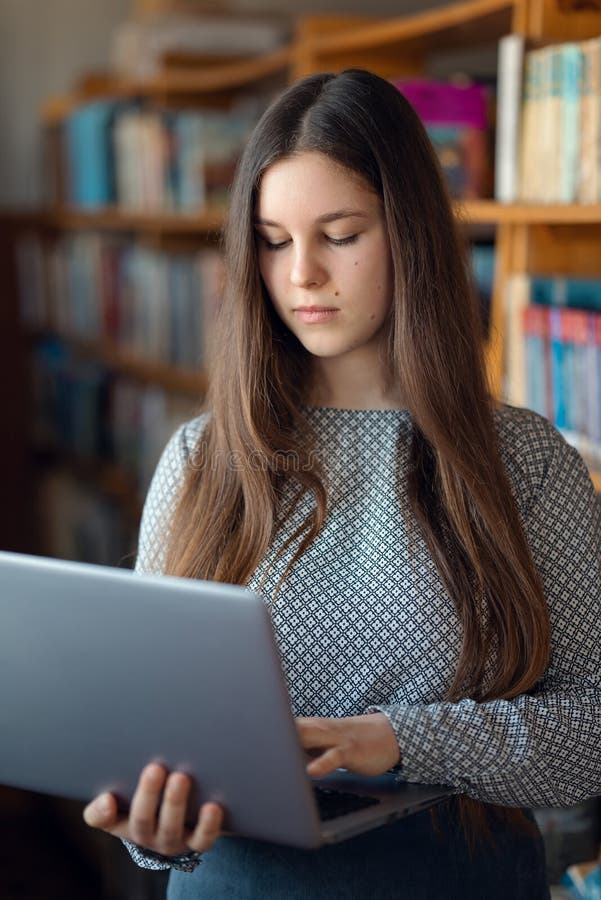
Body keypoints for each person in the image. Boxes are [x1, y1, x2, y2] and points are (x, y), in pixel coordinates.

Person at [82, 69, 601, 899]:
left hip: (451, 876)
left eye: (341, 234)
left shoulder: (527, 462)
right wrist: (153, 828)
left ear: (412, 234)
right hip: (237, 881)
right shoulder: (200, 458)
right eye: (273, 239)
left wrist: (395, 740)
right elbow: (158, 731)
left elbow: (589, 732)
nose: (301, 276)